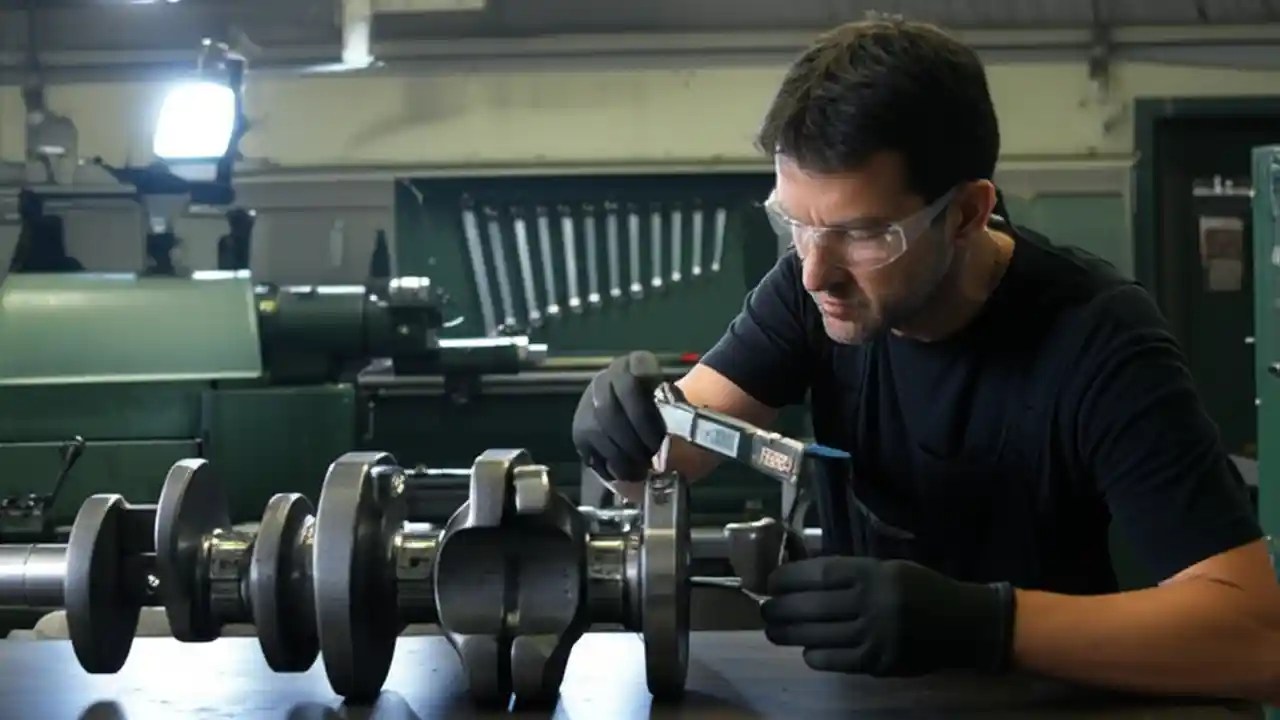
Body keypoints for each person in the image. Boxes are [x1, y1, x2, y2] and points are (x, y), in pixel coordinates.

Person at [572, 18, 1280, 705]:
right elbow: (677, 450)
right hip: (875, 702)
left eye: (863, 234)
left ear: (969, 213)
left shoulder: (1099, 340)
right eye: (796, 223)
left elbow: (1254, 639)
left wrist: (984, 625)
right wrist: (627, 435)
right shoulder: (807, 290)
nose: (818, 272)